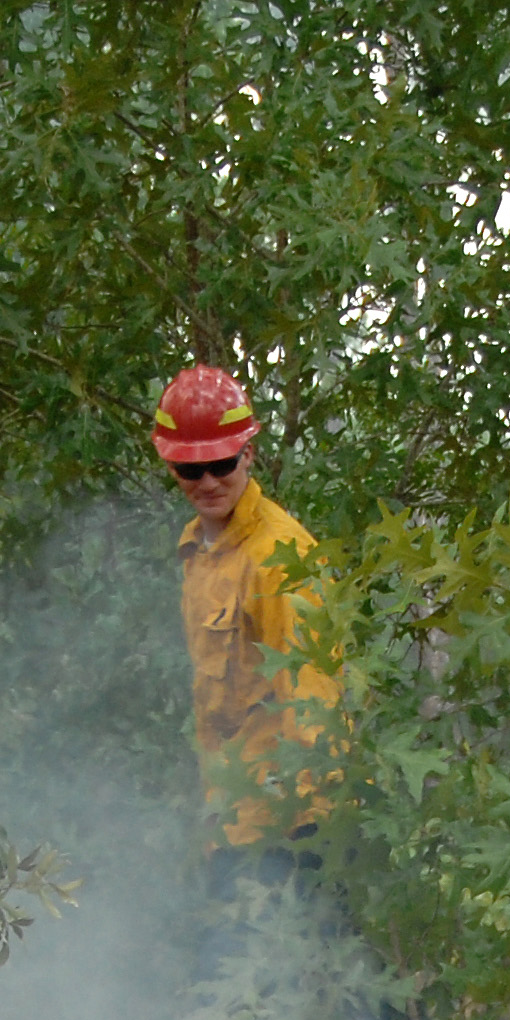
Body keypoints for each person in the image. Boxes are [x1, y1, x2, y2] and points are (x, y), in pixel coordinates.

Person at [152, 362, 331, 893]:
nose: (208, 482)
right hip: (232, 822)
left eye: (223, 463)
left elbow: (312, 694)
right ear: (170, 466)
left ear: (248, 454)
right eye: (190, 470)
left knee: (295, 969)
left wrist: (314, 830)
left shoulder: (280, 554)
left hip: (288, 831)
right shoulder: (197, 550)